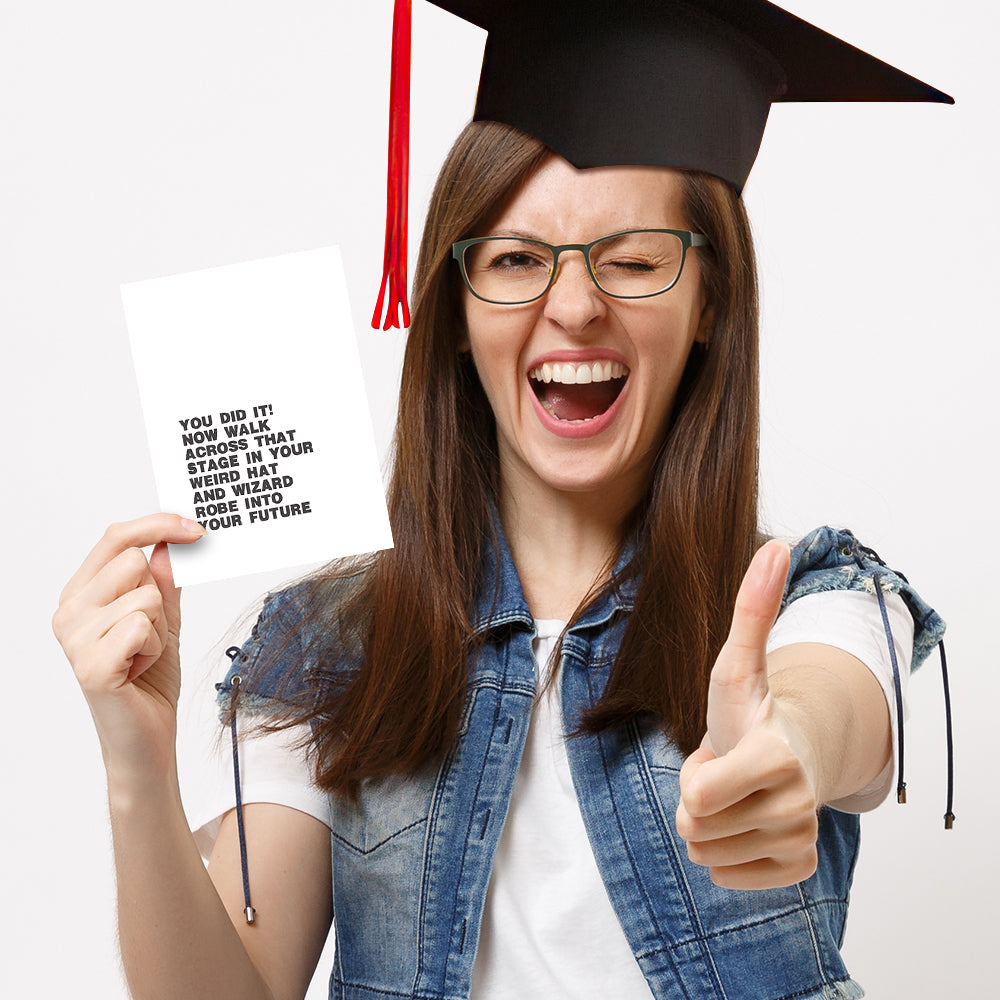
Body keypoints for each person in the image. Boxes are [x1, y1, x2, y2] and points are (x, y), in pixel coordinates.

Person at [53, 3, 950, 999]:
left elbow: (829, 708)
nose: (573, 306)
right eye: (516, 260)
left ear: (709, 306)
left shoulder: (806, 600)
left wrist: (785, 752)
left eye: (636, 259)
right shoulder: (327, 648)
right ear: (458, 310)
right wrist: (135, 757)